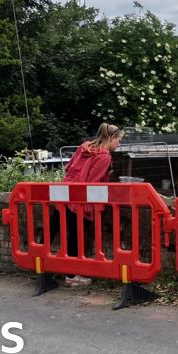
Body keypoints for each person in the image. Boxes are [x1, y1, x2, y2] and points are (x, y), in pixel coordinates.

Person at [59, 123, 124, 286]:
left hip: (66, 194)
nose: (119, 144)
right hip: (81, 201)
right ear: (111, 138)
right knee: (77, 236)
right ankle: (72, 276)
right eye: (119, 141)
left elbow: (69, 168)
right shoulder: (104, 156)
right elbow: (93, 183)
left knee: (67, 234)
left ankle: (52, 270)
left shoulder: (84, 147)